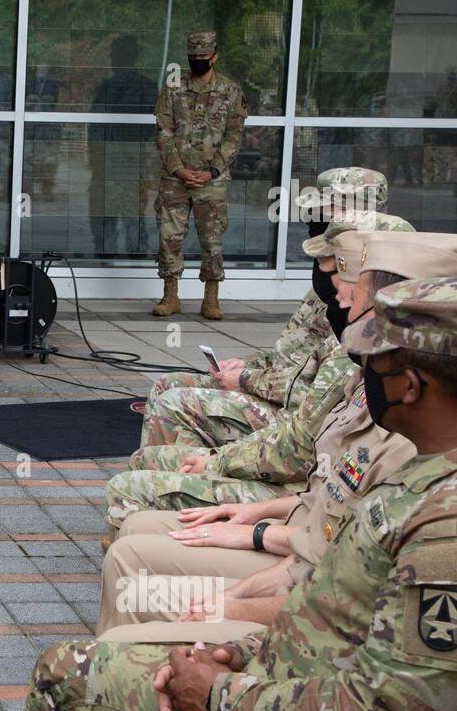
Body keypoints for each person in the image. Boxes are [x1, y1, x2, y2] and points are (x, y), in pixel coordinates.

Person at [0, 275, 457, 711]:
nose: (361, 377)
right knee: (63, 669)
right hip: (284, 687)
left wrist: (219, 692)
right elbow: (332, 616)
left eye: (371, 366)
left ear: (408, 385)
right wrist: (234, 655)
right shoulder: (436, 472)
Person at [96, 231, 457, 641]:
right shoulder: (387, 391)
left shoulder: (418, 434)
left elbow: (343, 584)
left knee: (129, 579)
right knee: (135, 545)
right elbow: (330, 502)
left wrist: (253, 550)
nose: (339, 302)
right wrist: (263, 519)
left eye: (354, 296)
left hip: (308, 606)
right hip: (299, 550)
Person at [105, 211, 413, 530]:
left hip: (296, 494)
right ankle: (166, 533)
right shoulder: (355, 338)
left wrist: (218, 462)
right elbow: (290, 365)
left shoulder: (369, 353)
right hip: (299, 491)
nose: (336, 290)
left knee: (132, 486)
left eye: (341, 265)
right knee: (153, 453)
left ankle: (163, 538)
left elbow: (299, 452)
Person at [138, 168, 388, 449]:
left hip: (294, 415)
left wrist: (245, 380)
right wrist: (250, 365)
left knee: (175, 404)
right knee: (166, 386)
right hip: (271, 387)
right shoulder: (328, 283)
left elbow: (314, 385)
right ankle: (177, 477)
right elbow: (293, 353)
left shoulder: (365, 296)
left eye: (326, 212)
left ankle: (184, 481)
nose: (316, 221)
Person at [151, 30, 247, 321]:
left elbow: (234, 136)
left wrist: (211, 171)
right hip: (174, 179)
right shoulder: (172, 89)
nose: (197, 61)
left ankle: (211, 298)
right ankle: (170, 295)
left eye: (203, 57)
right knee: (170, 238)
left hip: (212, 182)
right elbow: (163, 132)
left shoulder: (230, 91)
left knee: (212, 239)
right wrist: (179, 169)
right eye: (193, 57)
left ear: (214, 56)